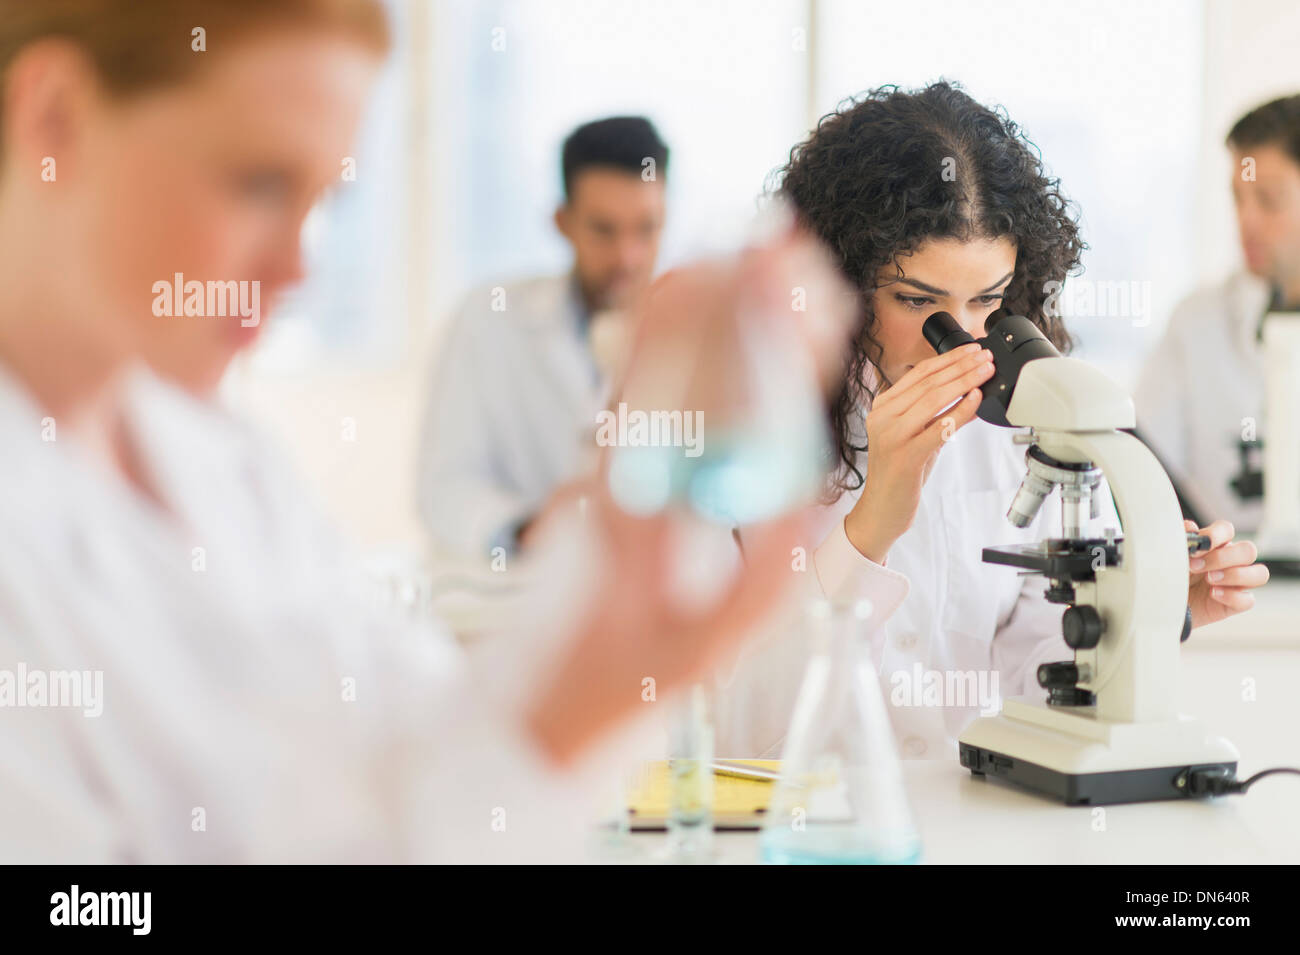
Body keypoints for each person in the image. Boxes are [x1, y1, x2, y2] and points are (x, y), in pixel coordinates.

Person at [0, 0, 837, 862]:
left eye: (326, 197)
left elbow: (437, 759)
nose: (298, 267)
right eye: (259, 183)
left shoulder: (225, 465)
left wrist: (620, 607)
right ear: (56, 118)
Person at [712, 83, 1269, 761]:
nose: (966, 339)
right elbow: (746, 723)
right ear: (843, 279)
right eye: (919, 299)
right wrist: (872, 524)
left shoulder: (1030, 416)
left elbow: (1031, 676)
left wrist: (1146, 614)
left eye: (989, 299)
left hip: (973, 815)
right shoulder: (751, 420)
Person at [417, 116, 669, 561]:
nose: (626, 257)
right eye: (604, 230)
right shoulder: (487, 320)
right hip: (523, 593)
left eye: (646, 229)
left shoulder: (695, 335)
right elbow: (443, 488)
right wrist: (527, 530)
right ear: (562, 221)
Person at [1135, 94, 1300, 533]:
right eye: (1238, 198)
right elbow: (1142, 466)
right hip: (1231, 584)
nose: (1246, 220)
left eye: (1268, 200)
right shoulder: (1197, 323)